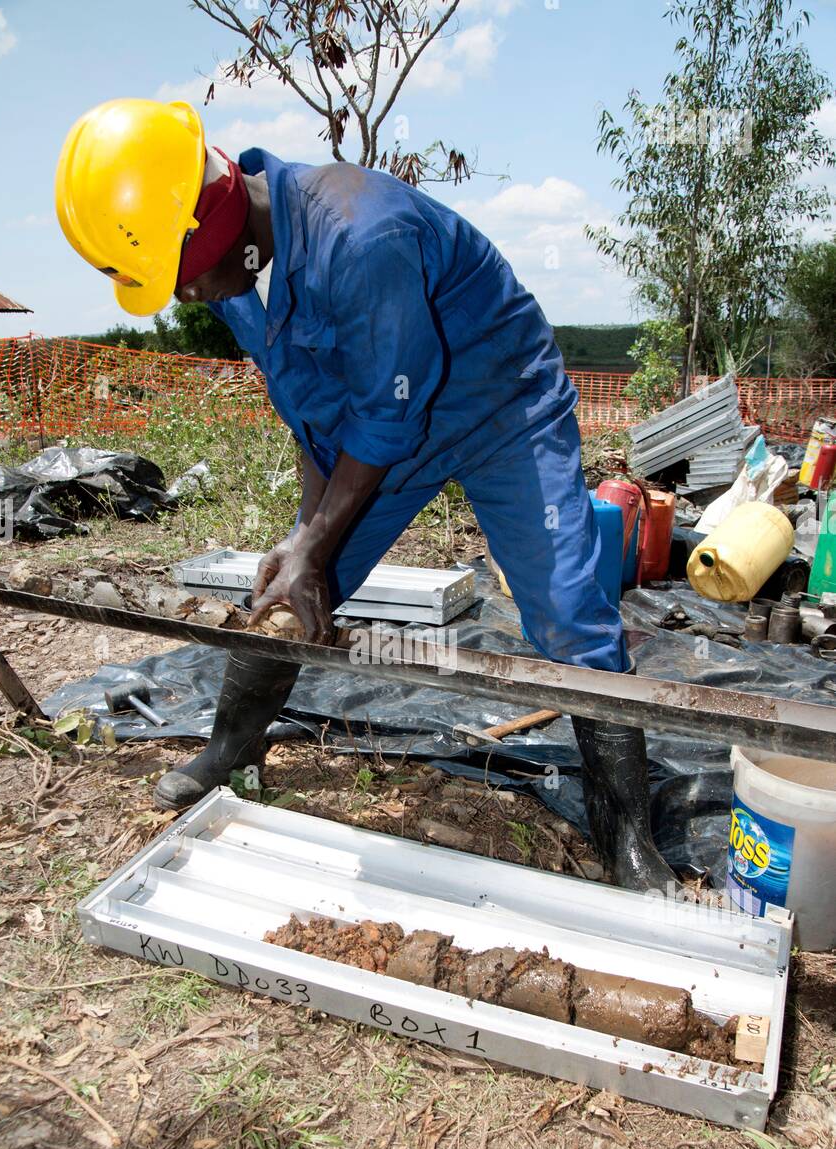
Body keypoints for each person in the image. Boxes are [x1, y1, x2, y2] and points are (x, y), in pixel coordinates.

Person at [55, 97, 676, 892]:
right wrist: (309, 546)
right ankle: (232, 748)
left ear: (207, 230)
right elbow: (317, 411)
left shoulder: (360, 231)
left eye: (179, 277)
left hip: (498, 406)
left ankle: (625, 832)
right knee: (288, 585)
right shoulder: (241, 280)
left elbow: (388, 409)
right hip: (380, 430)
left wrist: (320, 538)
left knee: (565, 607)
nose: (183, 298)